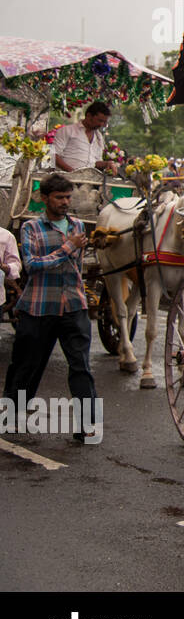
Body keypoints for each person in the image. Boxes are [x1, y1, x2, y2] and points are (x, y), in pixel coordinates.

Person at [1, 174, 98, 441]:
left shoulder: (77, 225)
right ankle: (11, 415)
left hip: (74, 305)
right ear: (44, 199)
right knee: (26, 365)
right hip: (39, 307)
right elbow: (31, 265)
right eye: (59, 198)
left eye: (68, 197)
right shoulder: (32, 228)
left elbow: (76, 267)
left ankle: (86, 425)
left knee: (81, 366)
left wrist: (71, 249)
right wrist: (67, 247)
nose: (65, 202)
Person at [51, 101, 112, 172]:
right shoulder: (67, 130)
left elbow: (95, 163)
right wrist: (73, 173)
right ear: (89, 116)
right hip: (65, 179)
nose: (101, 124)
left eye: (104, 122)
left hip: (89, 179)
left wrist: (108, 163)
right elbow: (53, 155)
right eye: (100, 120)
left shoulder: (99, 137)